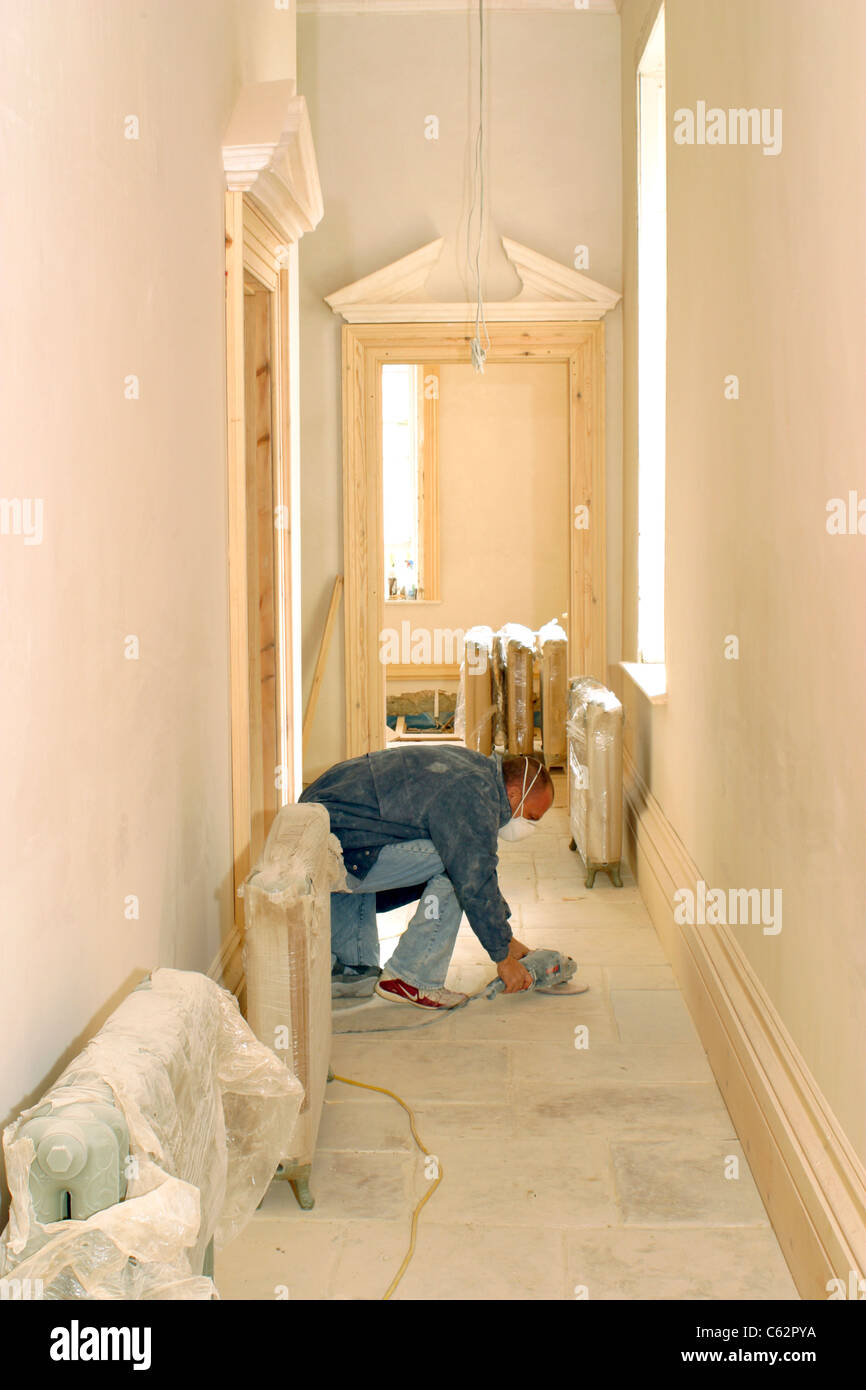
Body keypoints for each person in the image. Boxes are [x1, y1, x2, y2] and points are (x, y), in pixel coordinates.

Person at [299, 745, 555, 1010]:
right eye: (532, 817)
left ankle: (349, 968)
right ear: (513, 794)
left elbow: (479, 869)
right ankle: (412, 977)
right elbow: (474, 877)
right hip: (339, 842)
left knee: (360, 979)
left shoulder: (477, 771)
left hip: (328, 826)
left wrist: (507, 940)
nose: (530, 826)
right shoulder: (475, 794)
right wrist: (503, 958)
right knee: (454, 862)